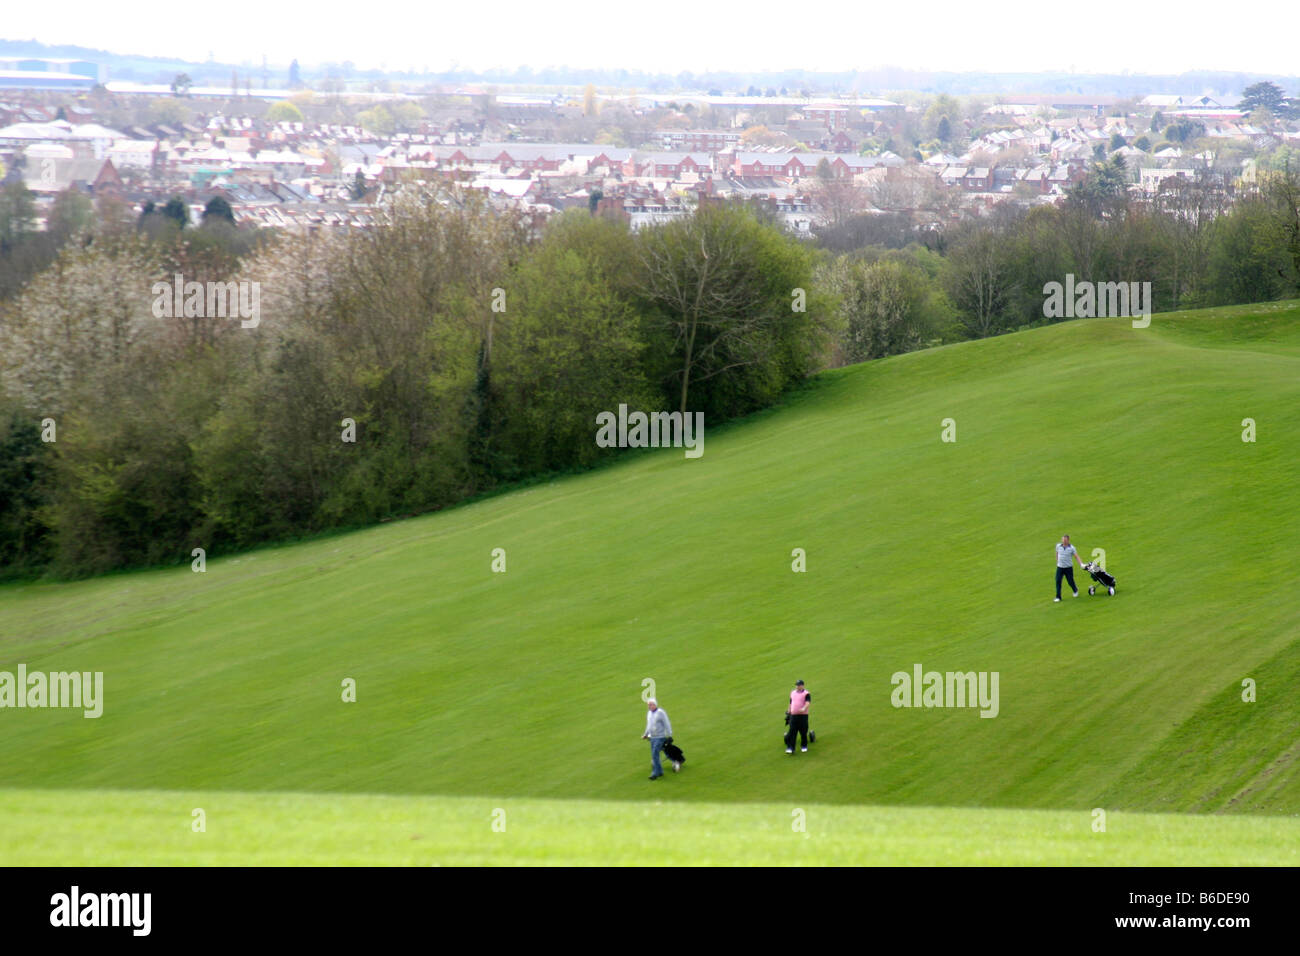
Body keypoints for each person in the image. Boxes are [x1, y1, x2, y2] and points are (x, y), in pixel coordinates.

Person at [641, 698, 673, 780]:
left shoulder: (660, 713)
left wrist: (669, 734)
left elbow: (667, 723)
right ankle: (660, 771)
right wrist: (646, 734)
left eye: (651, 704)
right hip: (652, 737)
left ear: (655, 704)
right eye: (649, 705)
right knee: (655, 754)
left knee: (655, 754)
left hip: (660, 737)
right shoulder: (649, 713)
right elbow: (649, 725)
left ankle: (655, 772)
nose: (650, 706)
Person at [1054, 533, 1086, 602]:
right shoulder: (1058, 546)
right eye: (1063, 540)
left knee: (1070, 581)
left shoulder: (1072, 548)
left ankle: (1075, 590)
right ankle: (1058, 597)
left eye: (1065, 540)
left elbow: (1076, 556)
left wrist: (1081, 564)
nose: (1064, 541)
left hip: (1068, 568)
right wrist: (1057, 561)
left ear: (1068, 540)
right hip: (1060, 567)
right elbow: (1057, 553)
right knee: (1058, 581)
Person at [785, 679, 811, 754]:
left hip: (803, 716)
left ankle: (804, 746)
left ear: (802, 685)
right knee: (792, 732)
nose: (797, 686)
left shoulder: (806, 693)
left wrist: (803, 708)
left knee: (803, 732)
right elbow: (791, 702)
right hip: (793, 716)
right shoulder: (792, 693)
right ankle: (790, 748)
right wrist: (789, 710)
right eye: (796, 685)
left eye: (799, 685)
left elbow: (808, 703)